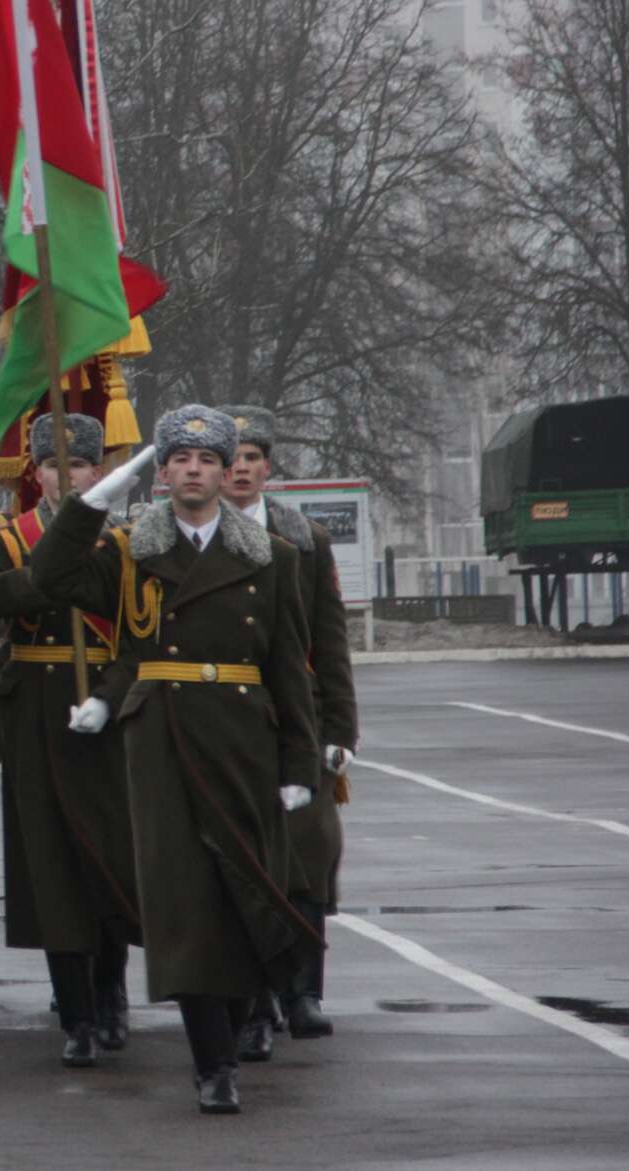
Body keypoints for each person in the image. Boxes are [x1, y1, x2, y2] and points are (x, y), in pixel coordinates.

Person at [28, 404, 321, 1115]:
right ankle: (211, 1061)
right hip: (160, 742)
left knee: (245, 894)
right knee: (183, 902)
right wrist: (92, 503)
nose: (194, 470)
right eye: (180, 460)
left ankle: (243, 1023)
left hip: (243, 743)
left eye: (207, 460)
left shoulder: (272, 558)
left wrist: (299, 766)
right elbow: (50, 576)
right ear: (161, 473)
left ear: (225, 473)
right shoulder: (133, 550)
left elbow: (290, 671)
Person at [0, 413, 140, 1067]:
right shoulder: (11, 538)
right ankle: (77, 1013)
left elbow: (141, 631)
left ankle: (111, 991)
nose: (69, 476)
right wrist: (42, 579)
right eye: (56, 465)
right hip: (35, 706)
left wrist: (110, 695)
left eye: (81, 464)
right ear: (36, 473)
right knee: (52, 861)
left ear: (100, 470)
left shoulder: (124, 542)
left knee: (109, 854)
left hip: (107, 708)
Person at [221, 405, 358, 1058]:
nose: (240, 469)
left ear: (267, 466)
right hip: (229, 716)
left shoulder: (305, 539)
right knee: (243, 862)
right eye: (231, 458)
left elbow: (329, 639)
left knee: (308, 851)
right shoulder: (195, 537)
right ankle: (253, 999)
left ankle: (303, 990)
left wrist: (340, 729)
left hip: (299, 717)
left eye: (252, 457)